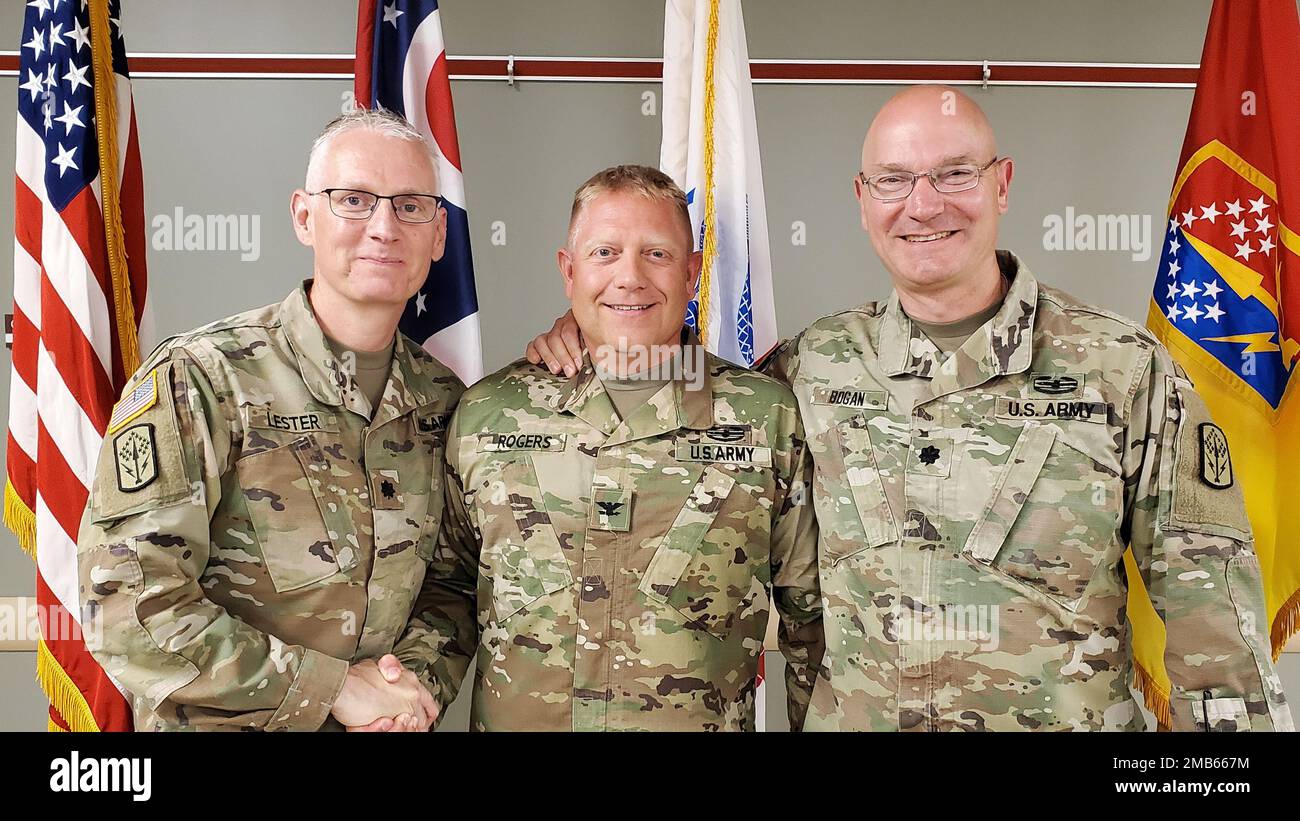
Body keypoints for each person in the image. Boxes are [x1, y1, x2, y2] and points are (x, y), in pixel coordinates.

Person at [525, 87, 1293, 731]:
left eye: (954, 173)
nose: (922, 205)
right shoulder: (809, 367)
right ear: (863, 201)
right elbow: (679, 401)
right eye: (893, 180)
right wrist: (593, 336)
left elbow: (1211, 614)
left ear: (1002, 183)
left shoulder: (1123, 370)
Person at [393, 165, 823, 731]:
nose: (630, 277)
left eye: (658, 255)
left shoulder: (765, 417)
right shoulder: (487, 413)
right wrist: (410, 690)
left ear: (692, 273)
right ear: (568, 272)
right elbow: (448, 590)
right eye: (604, 253)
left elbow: (812, 624)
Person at [76, 109, 460, 731]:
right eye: (354, 200)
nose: (384, 227)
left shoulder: (443, 400)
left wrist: (406, 691)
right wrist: (331, 690)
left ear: (439, 234)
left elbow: (453, 585)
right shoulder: (201, 379)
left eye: (410, 205)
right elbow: (124, 604)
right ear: (305, 217)